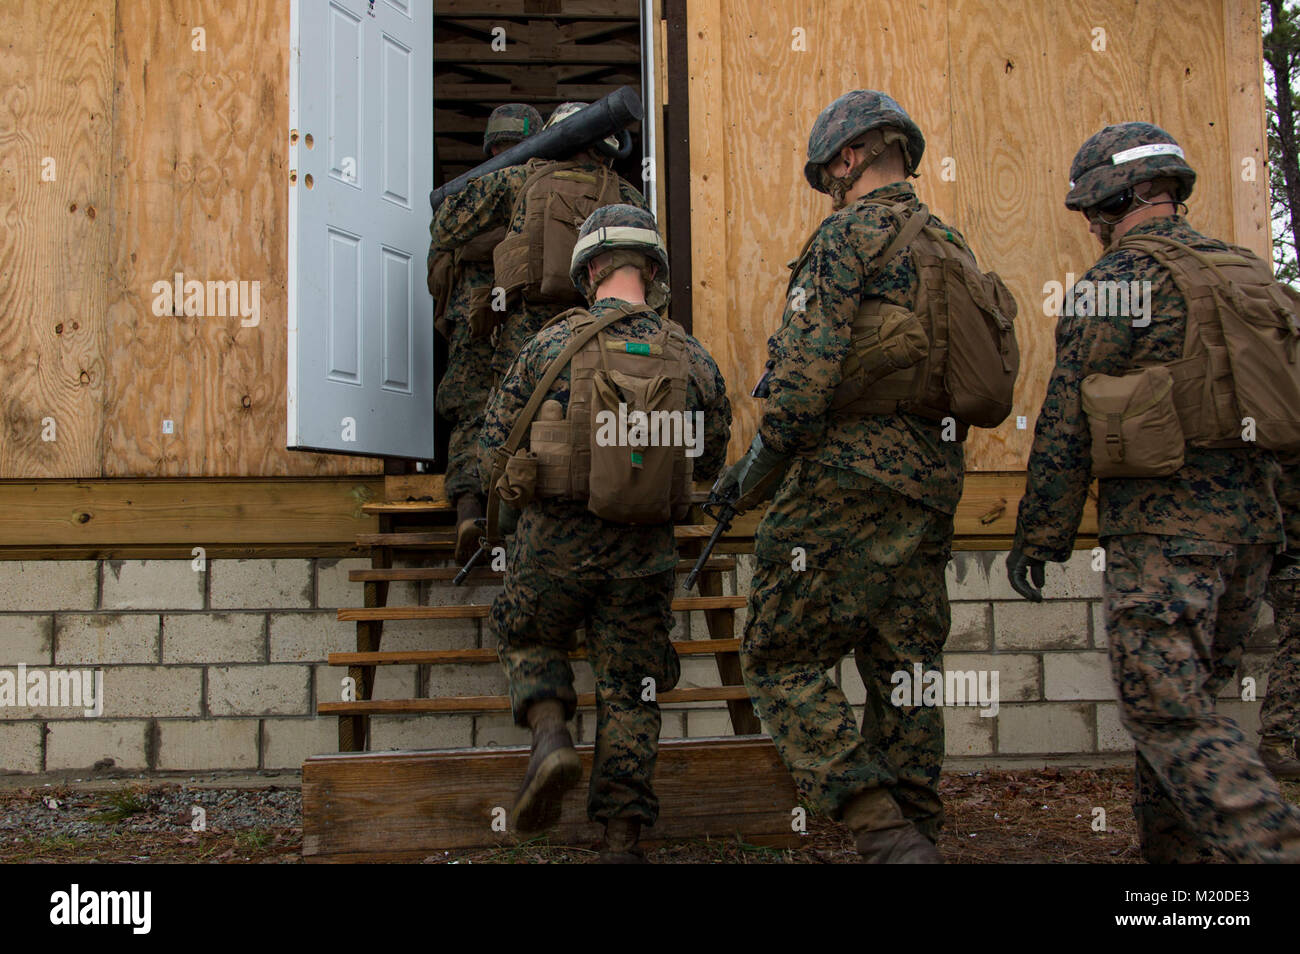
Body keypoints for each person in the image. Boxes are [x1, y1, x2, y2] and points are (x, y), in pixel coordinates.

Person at [729, 90, 1015, 863]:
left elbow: (800, 389)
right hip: (932, 485)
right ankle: (916, 835)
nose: (829, 184)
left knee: (780, 655)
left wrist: (747, 479)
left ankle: (880, 830)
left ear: (849, 158)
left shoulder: (845, 237)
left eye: (829, 171)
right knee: (907, 670)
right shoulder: (953, 247)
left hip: (846, 480)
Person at [1008, 121, 1300, 862]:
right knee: (1184, 710)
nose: (1093, 228)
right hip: (1253, 537)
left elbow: (1068, 420)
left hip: (1167, 540)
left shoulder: (1115, 284)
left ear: (1115, 199)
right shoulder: (1250, 274)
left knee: (1168, 715)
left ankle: (1272, 843)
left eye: (1092, 212)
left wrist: (1041, 535)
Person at [477, 204, 731, 862]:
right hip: (644, 553)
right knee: (632, 686)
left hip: (553, 544)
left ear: (590, 269)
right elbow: (709, 461)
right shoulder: (691, 357)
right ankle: (621, 838)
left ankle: (551, 736)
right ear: (652, 269)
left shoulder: (552, 343)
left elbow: (492, 447)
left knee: (527, 631)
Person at [432, 101, 649, 391]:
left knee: (512, 424)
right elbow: (652, 268)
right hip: (600, 333)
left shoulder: (516, 179)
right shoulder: (627, 196)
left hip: (524, 339)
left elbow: (444, 227)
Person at [429, 103, 543, 560]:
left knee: (486, 411)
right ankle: (487, 515)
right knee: (514, 409)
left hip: (495, 315)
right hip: (502, 316)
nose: (504, 153)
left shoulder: (486, 191)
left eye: (509, 145)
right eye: (499, 146)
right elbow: (439, 253)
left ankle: (477, 512)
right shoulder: (516, 188)